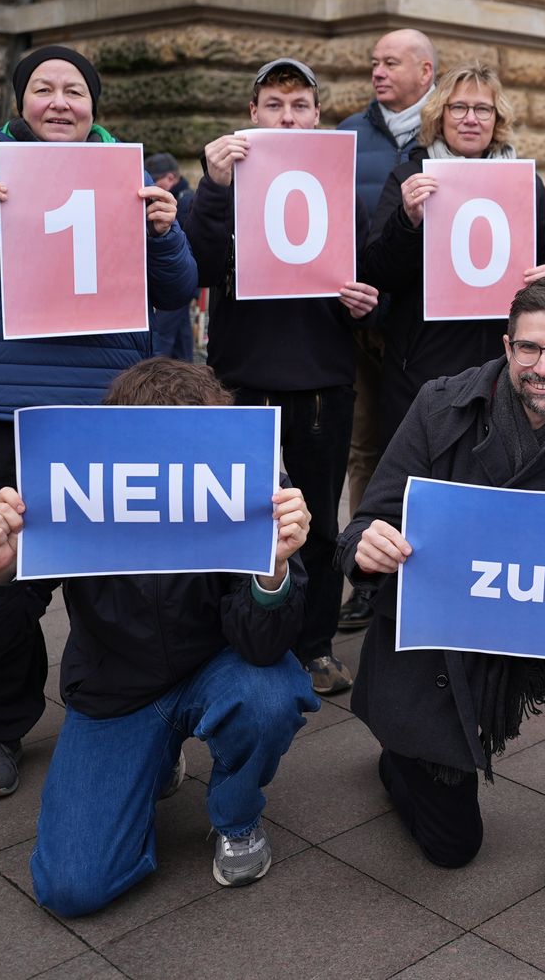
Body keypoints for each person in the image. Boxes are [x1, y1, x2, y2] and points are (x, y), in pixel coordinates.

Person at [0, 44, 198, 800]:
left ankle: (132, 720)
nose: (60, 101)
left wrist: (167, 230)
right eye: (44, 88)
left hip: (103, 408)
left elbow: (176, 290)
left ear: (94, 105)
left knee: (119, 577)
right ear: (20, 101)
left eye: (74, 89)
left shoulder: (130, 178)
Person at [337, 278, 545, 915]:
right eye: (529, 349)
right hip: (440, 638)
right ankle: (401, 758)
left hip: (532, 630)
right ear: (506, 346)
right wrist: (366, 544)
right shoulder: (440, 407)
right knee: (452, 847)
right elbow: (367, 520)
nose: (543, 367)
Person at [0, 359, 319, 915]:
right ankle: (153, 759)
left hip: (222, 670)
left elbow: (264, 647)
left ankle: (237, 817)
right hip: (114, 689)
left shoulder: (254, 480)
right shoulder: (74, 481)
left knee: (270, 692)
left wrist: (272, 574)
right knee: (73, 887)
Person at [185, 57, 382, 697]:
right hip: (244, 382)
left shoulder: (337, 186)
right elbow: (195, 269)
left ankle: (315, 643)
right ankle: (242, 630)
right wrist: (212, 188)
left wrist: (360, 302)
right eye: (275, 104)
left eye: (299, 106)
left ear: (317, 115)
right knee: (245, 519)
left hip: (323, 384)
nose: (287, 116)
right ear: (253, 113)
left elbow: (362, 275)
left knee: (320, 527)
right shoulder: (226, 181)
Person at [360, 62, 545, 450]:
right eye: (458, 108)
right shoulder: (410, 177)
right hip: (422, 367)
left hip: (503, 366)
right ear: (440, 116)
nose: (470, 119)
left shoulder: (523, 183)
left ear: (497, 119)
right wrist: (408, 220)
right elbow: (378, 270)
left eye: (482, 109)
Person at [338, 29, 438, 632]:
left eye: (391, 62)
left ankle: (428, 564)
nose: (378, 71)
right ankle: (366, 572)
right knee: (364, 447)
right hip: (356, 318)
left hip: (423, 325)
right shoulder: (347, 134)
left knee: (426, 445)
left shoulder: (449, 132)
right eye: (373, 62)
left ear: (426, 72)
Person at [144, 153, 198, 362]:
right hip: (181, 273)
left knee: (164, 338)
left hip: (179, 271)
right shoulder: (185, 196)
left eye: (157, 180)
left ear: (169, 178)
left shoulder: (184, 200)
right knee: (182, 336)